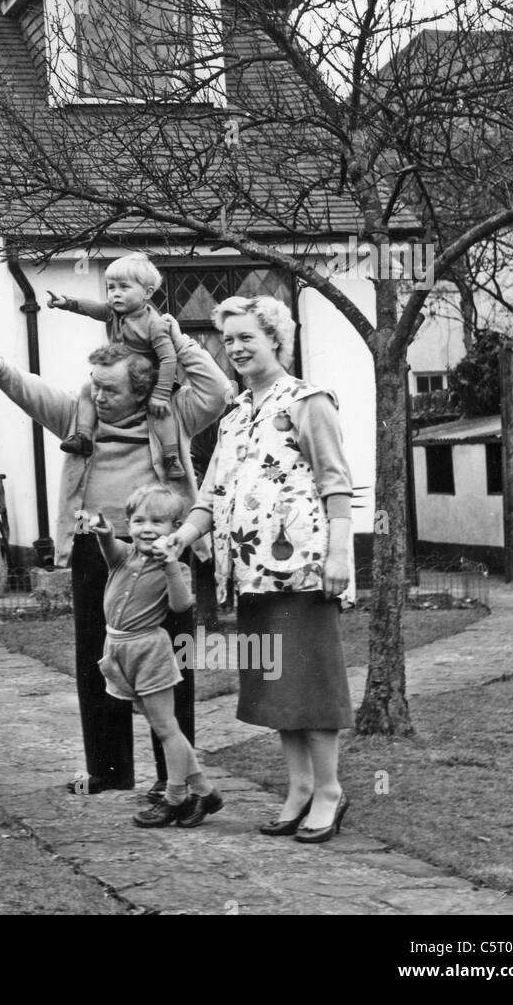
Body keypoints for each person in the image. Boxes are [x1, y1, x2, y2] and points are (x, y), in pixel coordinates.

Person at [0, 317, 229, 795]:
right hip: (98, 548)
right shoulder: (81, 419)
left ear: (141, 389)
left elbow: (218, 388)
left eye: (110, 389)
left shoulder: (173, 412)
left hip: (163, 547)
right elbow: (36, 394)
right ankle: (109, 772)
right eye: (95, 387)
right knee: (99, 656)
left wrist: (172, 337)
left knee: (171, 663)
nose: (99, 396)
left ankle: (171, 778)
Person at [153, 295, 354, 843]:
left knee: (311, 684)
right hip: (249, 573)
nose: (237, 348)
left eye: (248, 338)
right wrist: (181, 537)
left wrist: (339, 555)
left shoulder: (307, 401)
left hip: (303, 572)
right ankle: (298, 788)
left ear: (276, 340)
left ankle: (330, 791)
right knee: (276, 687)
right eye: (230, 339)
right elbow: (211, 494)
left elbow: (337, 485)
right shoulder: (236, 413)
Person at [85, 485, 224, 829]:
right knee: (163, 727)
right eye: (138, 520)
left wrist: (172, 565)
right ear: (128, 524)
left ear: (175, 529)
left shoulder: (173, 566)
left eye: (158, 522)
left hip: (149, 652)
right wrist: (103, 532)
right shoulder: (124, 555)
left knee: (166, 729)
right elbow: (109, 544)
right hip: (119, 650)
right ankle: (205, 792)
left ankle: (175, 798)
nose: (147, 528)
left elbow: (180, 605)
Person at [47, 253, 185, 478]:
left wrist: (160, 393)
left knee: (162, 410)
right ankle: (82, 436)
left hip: (150, 378)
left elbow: (169, 359)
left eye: (123, 287)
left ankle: (171, 456)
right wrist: (67, 303)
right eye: (111, 288)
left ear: (147, 293)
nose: (115, 293)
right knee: (87, 391)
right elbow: (90, 308)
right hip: (119, 376)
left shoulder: (154, 323)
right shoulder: (112, 313)